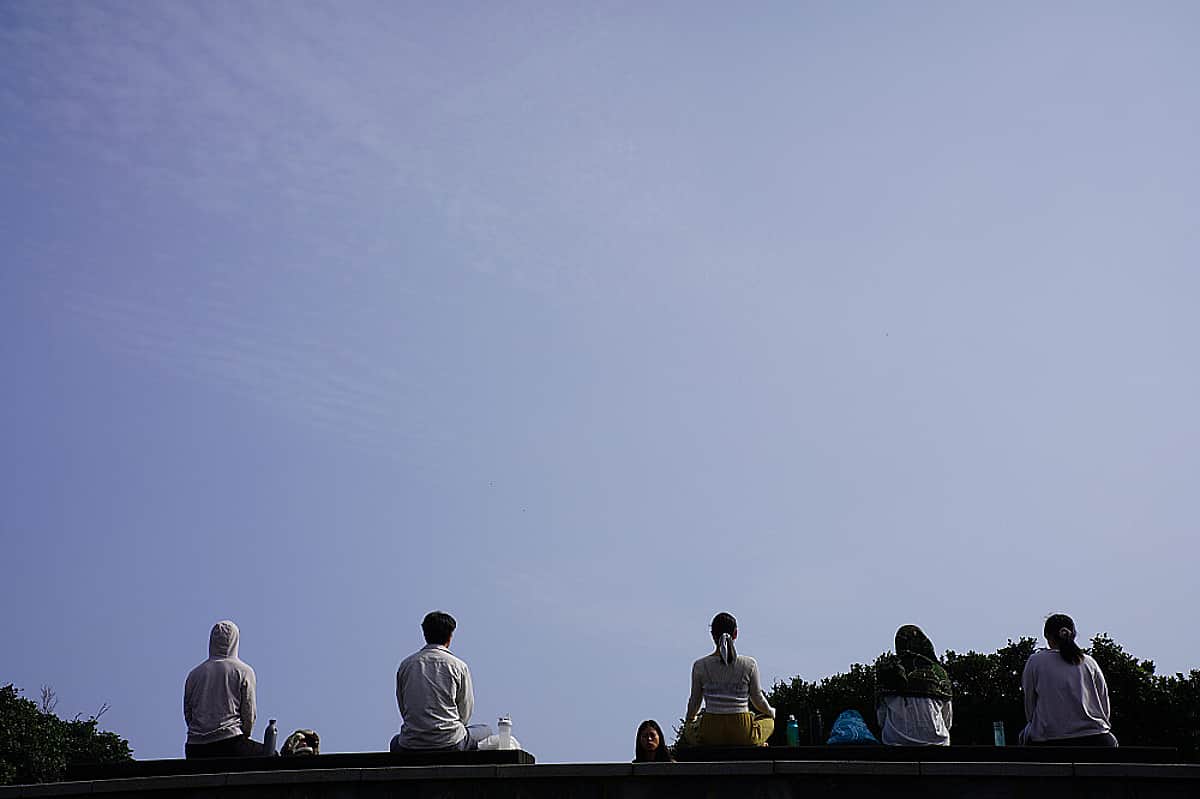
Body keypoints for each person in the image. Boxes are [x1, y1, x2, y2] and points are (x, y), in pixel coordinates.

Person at [391, 610, 492, 752]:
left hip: (411, 744)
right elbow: (465, 710)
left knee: (395, 741)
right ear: (450, 637)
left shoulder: (406, 665)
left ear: (425, 634)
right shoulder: (459, 666)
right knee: (486, 730)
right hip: (450, 742)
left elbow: (404, 708)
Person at [1020, 613, 1117, 746]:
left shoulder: (1036, 661)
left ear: (1047, 635)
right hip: (1096, 738)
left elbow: (1030, 704)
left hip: (1050, 738)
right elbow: (1104, 702)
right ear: (1073, 635)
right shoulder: (1089, 662)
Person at [684, 612, 775, 747]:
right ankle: (756, 742)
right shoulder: (749, 664)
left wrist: (690, 721)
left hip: (712, 730)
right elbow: (757, 699)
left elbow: (694, 702)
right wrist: (771, 712)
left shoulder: (700, 665)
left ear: (712, 635)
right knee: (768, 720)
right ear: (735, 633)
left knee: (691, 727)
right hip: (742, 730)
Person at [183, 620, 261, 758]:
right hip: (230, 743)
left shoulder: (194, 674)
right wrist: (245, 736)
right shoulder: (243, 671)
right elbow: (248, 713)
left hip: (195, 748)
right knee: (271, 755)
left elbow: (188, 712)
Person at [875, 624, 953, 746]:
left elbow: (881, 718)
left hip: (895, 744)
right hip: (937, 744)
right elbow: (947, 720)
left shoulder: (889, 671)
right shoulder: (939, 673)